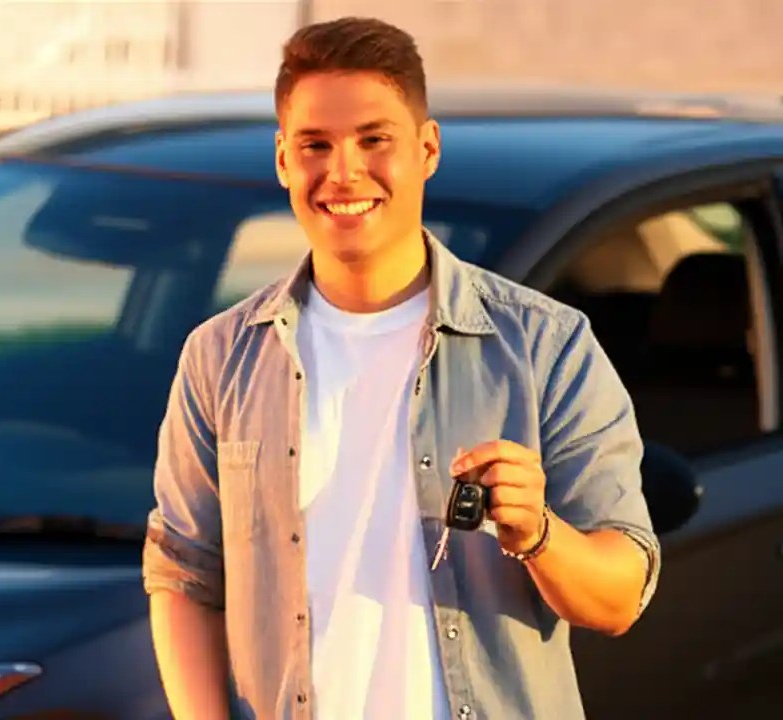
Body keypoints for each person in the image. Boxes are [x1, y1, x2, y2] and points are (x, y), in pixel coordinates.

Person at [141, 15, 660, 720]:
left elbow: (620, 597)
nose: (343, 172)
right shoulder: (221, 357)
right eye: (315, 144)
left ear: (427, 148)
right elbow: (183, 577)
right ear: (283, 159)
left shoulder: (547, 346)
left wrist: (540, 533)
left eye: (373, 140)